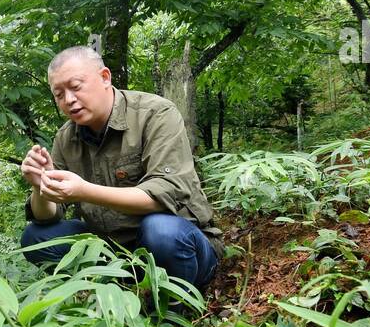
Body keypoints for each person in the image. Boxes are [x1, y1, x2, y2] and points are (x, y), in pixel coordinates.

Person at [20, 45, 223, 292]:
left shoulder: (155, 114)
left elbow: (164, 194)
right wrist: (40, 186)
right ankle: (113, 291)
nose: (69, 100)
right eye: (59, 94)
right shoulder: (66, 138)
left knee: (160, 231)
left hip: (178, 242)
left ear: (105, 77)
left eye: (76, 87)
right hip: (114, 252)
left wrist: (83, 191)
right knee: (36, 237)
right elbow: (49, 216)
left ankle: (175, 305)